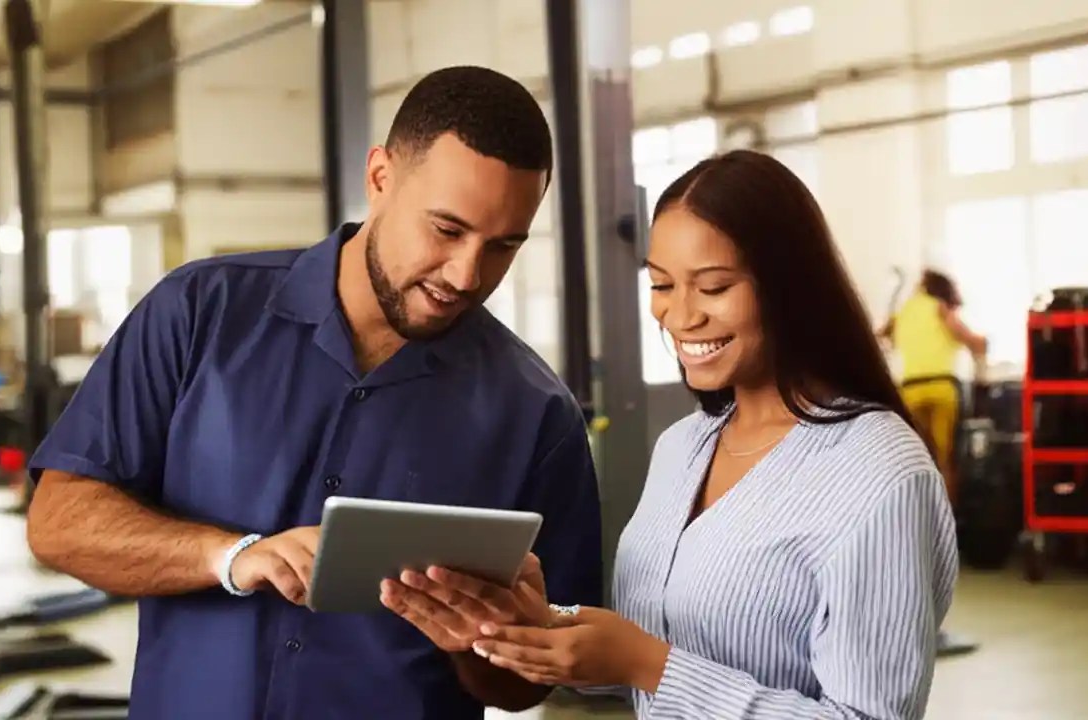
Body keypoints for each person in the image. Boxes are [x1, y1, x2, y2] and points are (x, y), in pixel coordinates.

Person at [24, 65, 603, 720]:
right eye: (446, 230)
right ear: (380, 177)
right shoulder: (197, 314)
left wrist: (482, 640)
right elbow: (58, 521)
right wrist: (231, 556)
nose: (467, 274)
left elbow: (534, 682)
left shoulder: (535, 413)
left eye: (503, 246)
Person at [386, 150, 958, 719]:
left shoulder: (879, 472)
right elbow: (639, 654)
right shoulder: (683, 447)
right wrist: (539, 624)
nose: (680, 317)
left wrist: (647, 664)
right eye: (661, 285)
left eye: (712, 288)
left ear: (790, 286)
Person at [879, 269, 988, 506]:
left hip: (909, 392)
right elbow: (969, 339)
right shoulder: (939, 308)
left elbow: (881, 336)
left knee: (915, 462)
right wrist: (981, 345)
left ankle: (918, 521)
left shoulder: (903, 311)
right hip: (942, 389)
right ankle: (948, 527)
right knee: (945, 460)